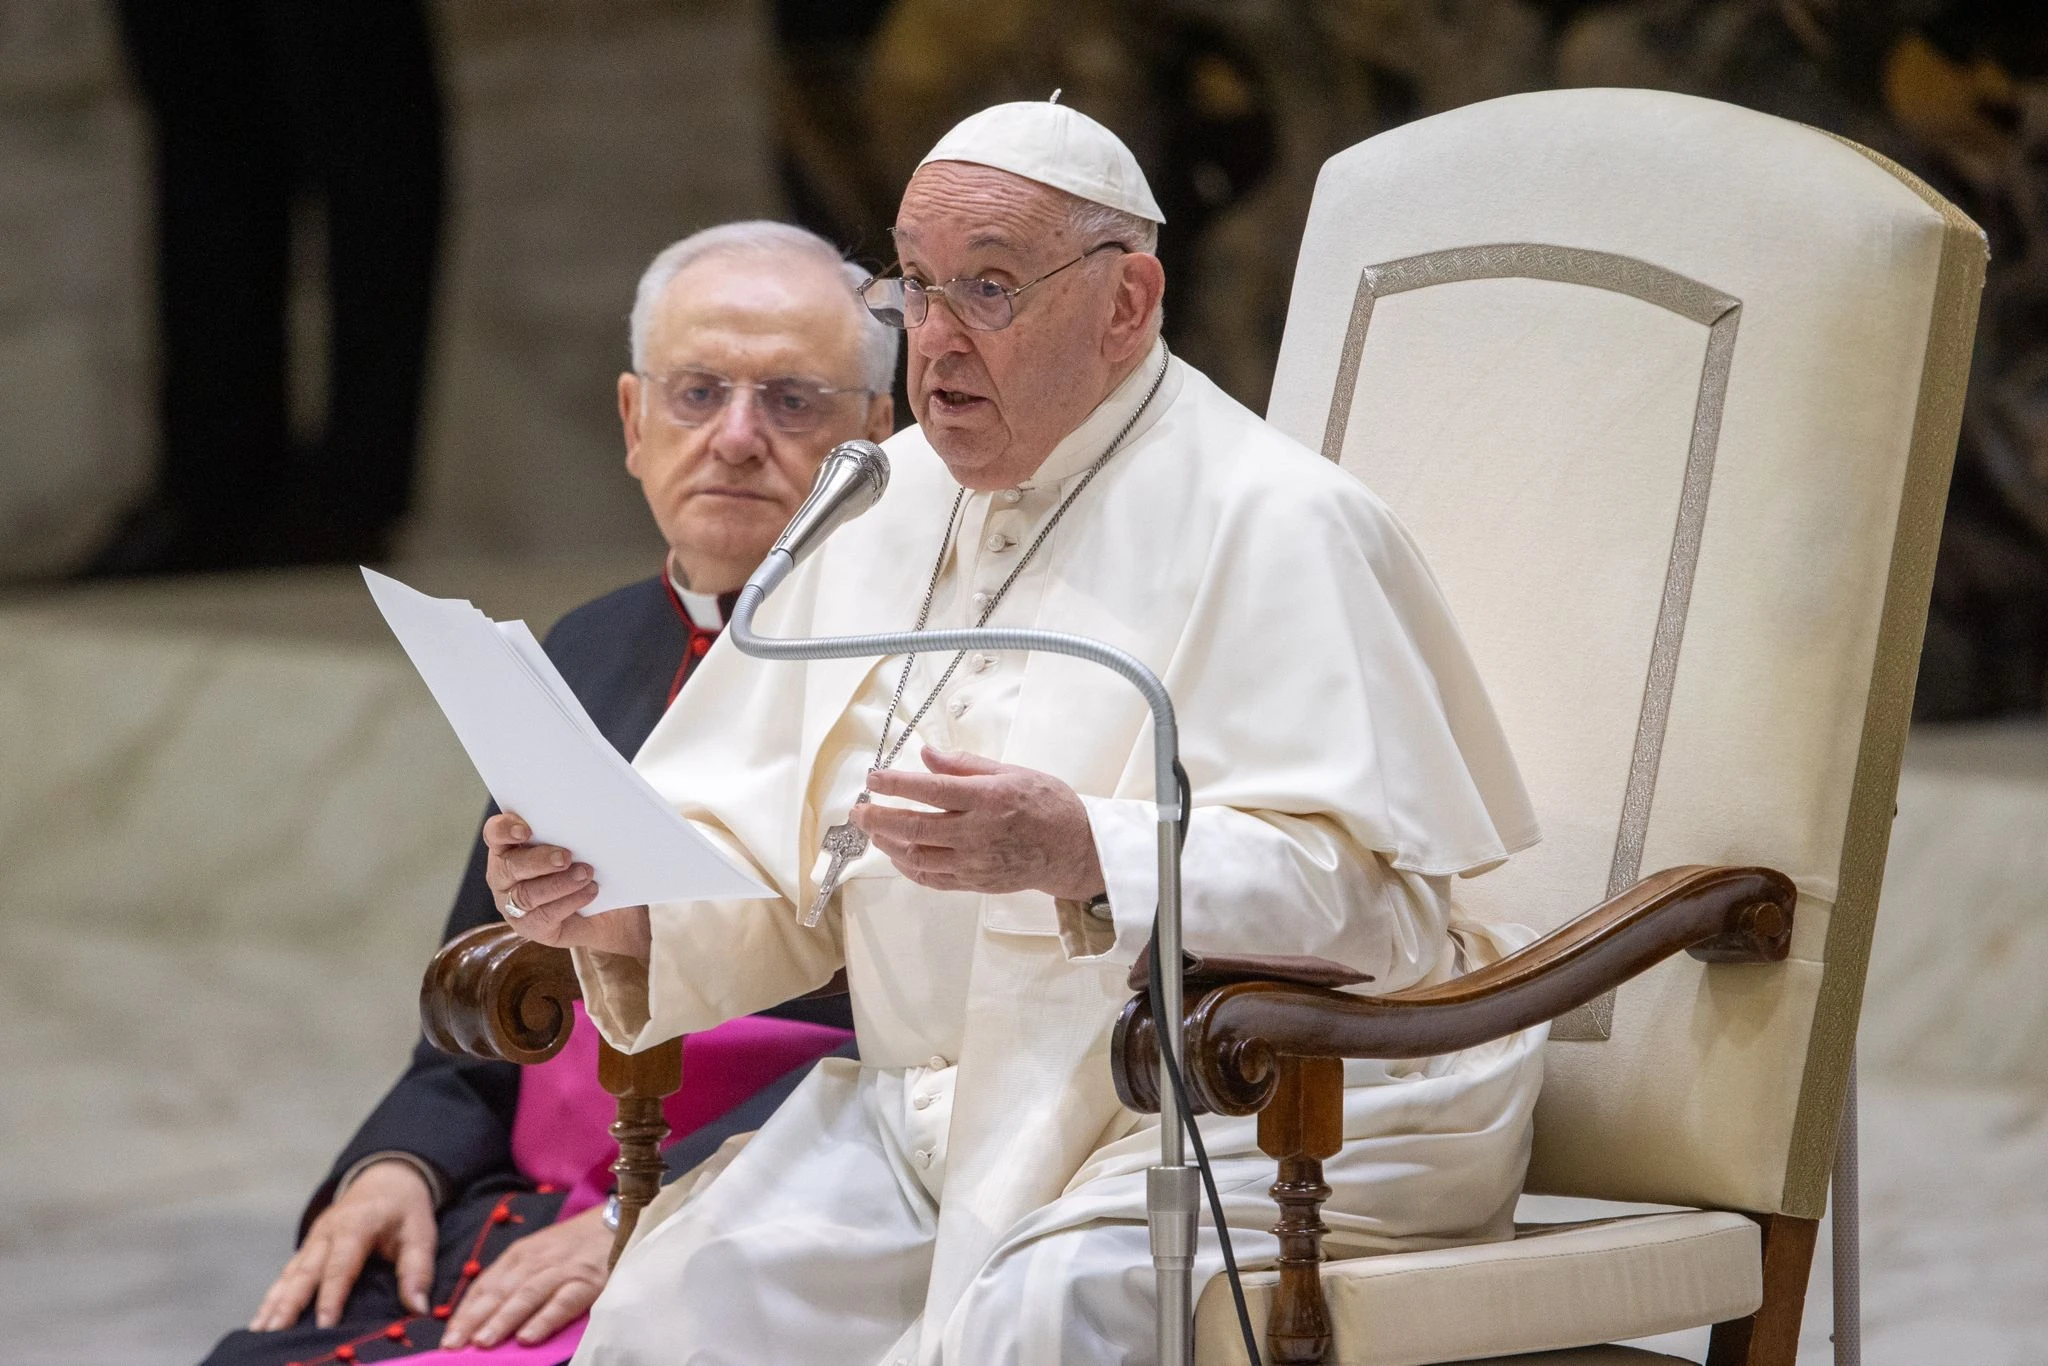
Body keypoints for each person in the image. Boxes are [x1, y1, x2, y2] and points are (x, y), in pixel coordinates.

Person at [492, 101, 1547, 1366]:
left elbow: (1376, 914)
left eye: (987, 289)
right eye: (916, 288)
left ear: (1126, 301)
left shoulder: (1281, 522)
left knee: (1038, 1322)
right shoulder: (884, 508)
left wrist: (1082, 850)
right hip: (941, 1107)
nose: (932, 340)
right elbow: (785, 863)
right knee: (681, 1308)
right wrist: (621, 910)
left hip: (1243, 1108)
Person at [199, 221, 897, 1366]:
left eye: (791, 401)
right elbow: (480, 995)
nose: (734, 438)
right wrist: (399, 1162)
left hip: (755, 1216)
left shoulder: (925, 675)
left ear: (878, 434)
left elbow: (917, 1046)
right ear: (632, 422)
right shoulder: (588, 648)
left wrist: (642, 1209)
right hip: (531, 1200)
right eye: (697, 392)